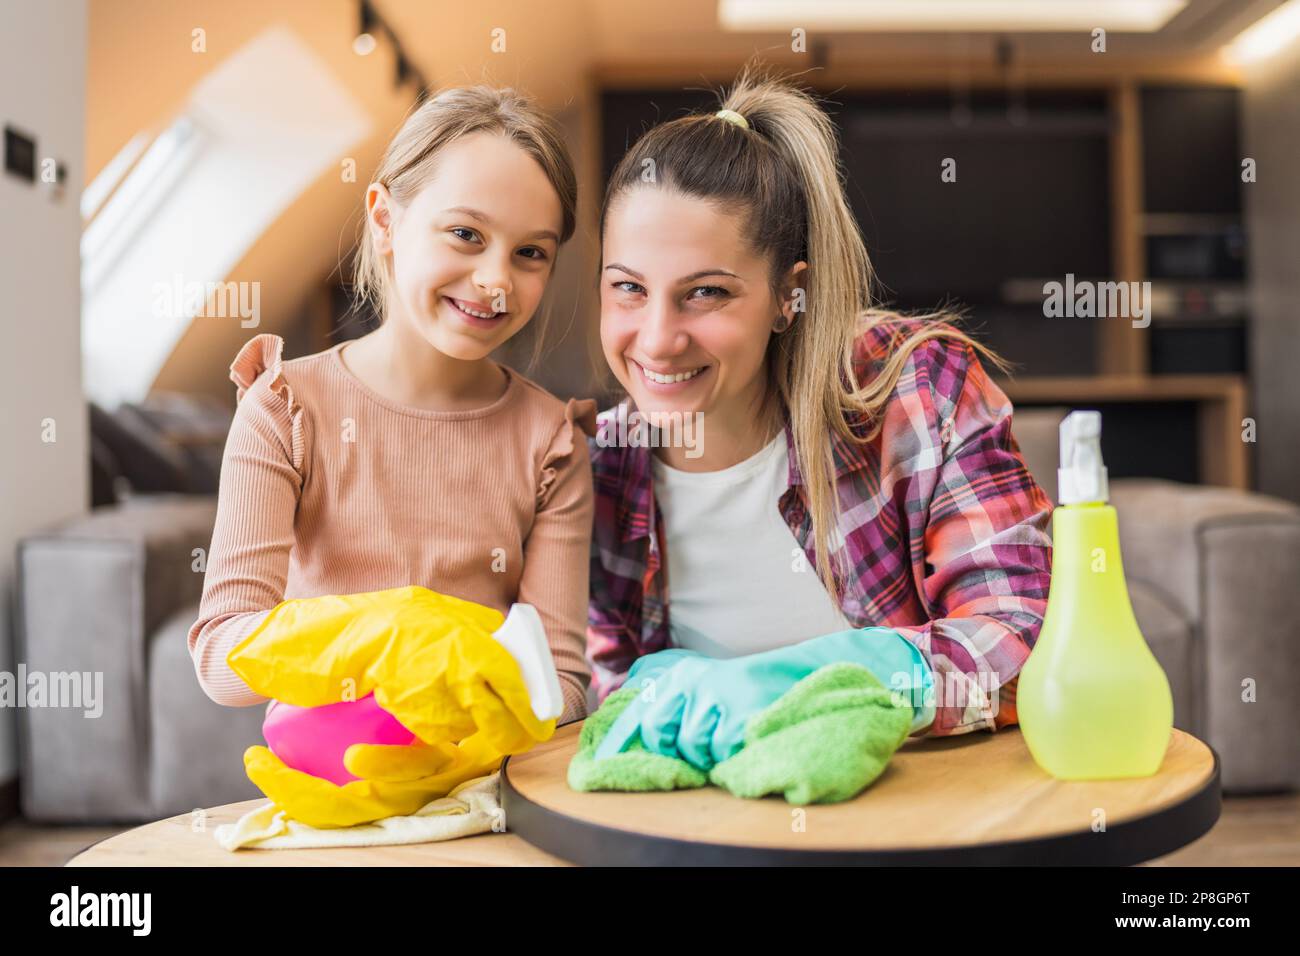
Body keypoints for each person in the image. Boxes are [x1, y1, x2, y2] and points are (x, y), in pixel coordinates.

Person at [587, 66, 1054, 768]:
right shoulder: (597, 470)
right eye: (628, 288)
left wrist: (831, 675)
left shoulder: (916, 389)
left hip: (920, 816)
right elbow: (587, 705)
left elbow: (1028, 641)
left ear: (787, 296)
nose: (656, 339)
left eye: (706, 293)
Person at [188, 84, 596, 726]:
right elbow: (222, 656)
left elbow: (563, 685)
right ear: (384, 220)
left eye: (530, 253)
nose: (496, 279)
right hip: (330, 786)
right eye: (466, 233)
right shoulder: (283, 409)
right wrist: (399, 632)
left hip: (486, 786)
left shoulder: (553, 441)